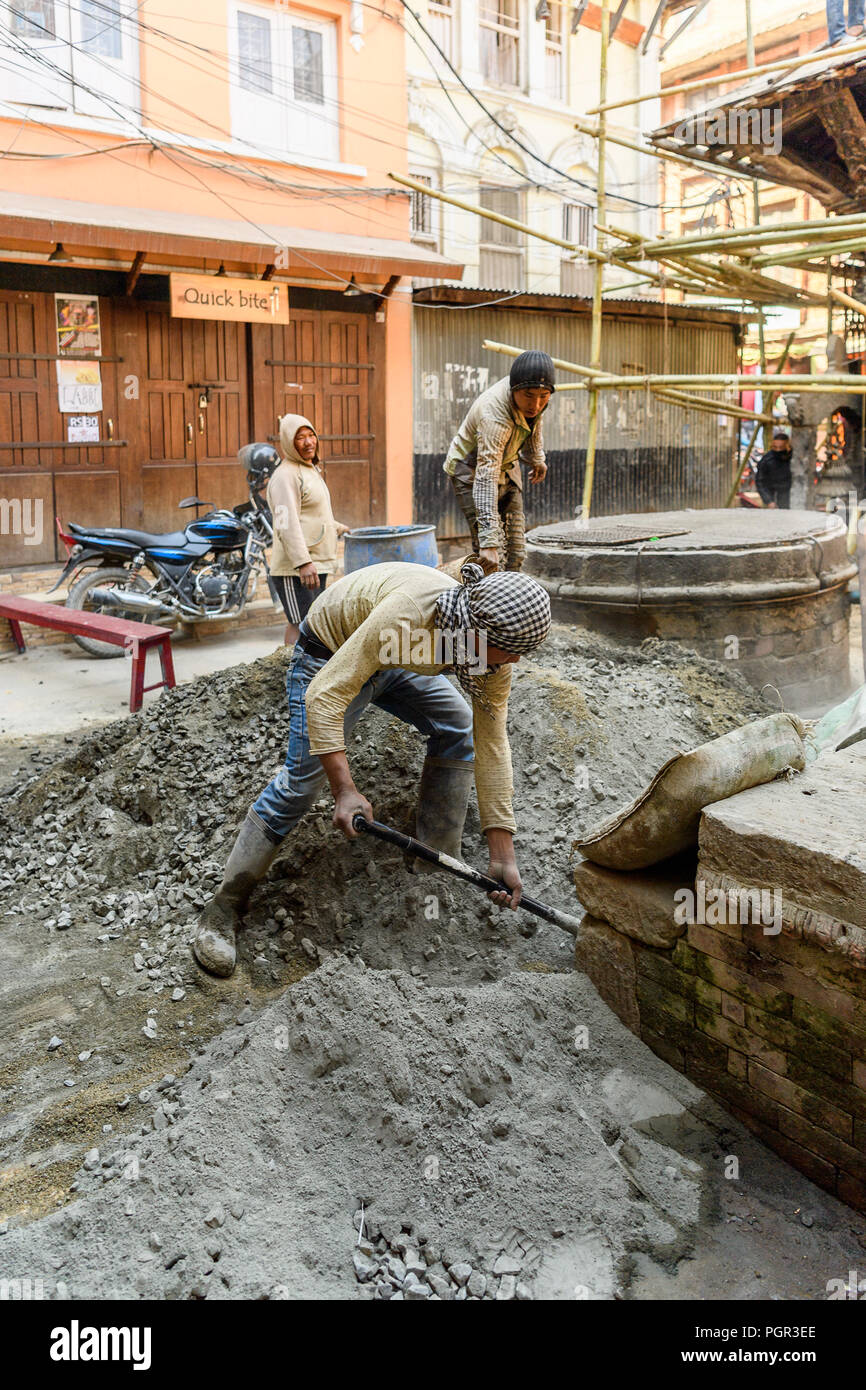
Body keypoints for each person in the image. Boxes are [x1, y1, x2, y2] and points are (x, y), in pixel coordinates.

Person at [192, 559, 551, 978]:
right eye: (512, 650)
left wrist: (502, 854)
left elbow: (492, 743)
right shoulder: (409, 616)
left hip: (394, 657)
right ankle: (222, 910)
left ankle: (437, 859)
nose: (518, 660)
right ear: (476, 632)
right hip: (329, 653)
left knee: (460, 729)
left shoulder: (488, 657)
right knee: (301, 785)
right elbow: (323, 696)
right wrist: (345, 790)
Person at [444, 349, 556, 573]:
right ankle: (483, 600)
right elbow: (486, 477)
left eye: (543, 397)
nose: (535, 404)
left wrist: (537, 459)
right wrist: (489, 542)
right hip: (471, 469)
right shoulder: (494, 413)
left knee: (517, 549)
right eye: (529, 396)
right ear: (515, 390)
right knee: (488, 557)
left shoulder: (534, 401)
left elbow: (534, 427)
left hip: (507, 462)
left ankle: (511, 599)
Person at [267, 413, 349, 645]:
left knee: (314, 623)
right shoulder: (286, 475)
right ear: (287, 443)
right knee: (300, 623)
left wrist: (340, 528)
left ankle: (307, 674)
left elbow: (314, 515)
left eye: (311, 435)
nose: (308, 442)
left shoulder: (309, 470)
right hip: (295, 568)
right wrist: (302, 562)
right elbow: (286, 523)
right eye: (300, 438)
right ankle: (290, 673)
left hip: (315, 563)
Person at [755, 431, 793, 509]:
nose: (778, 450)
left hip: (791, 498)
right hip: (773, 499)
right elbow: (760, 482)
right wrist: (769, 501)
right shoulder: (767, 460)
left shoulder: (795, 459)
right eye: (775, 447)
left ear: (787, 446)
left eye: (781, 447)